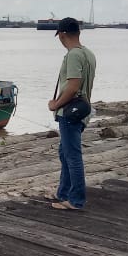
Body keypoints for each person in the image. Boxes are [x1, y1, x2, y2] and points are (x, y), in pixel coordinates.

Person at [47, 17, 96, 210]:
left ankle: (75, 200)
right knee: (64, 152)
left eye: (59, 34)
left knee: (72, 155)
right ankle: (63, 192)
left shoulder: (73, 55)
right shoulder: (89, 54)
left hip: (70, 112)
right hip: (82, 110)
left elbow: (74, 86)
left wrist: (55, 104)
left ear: (63, 34)